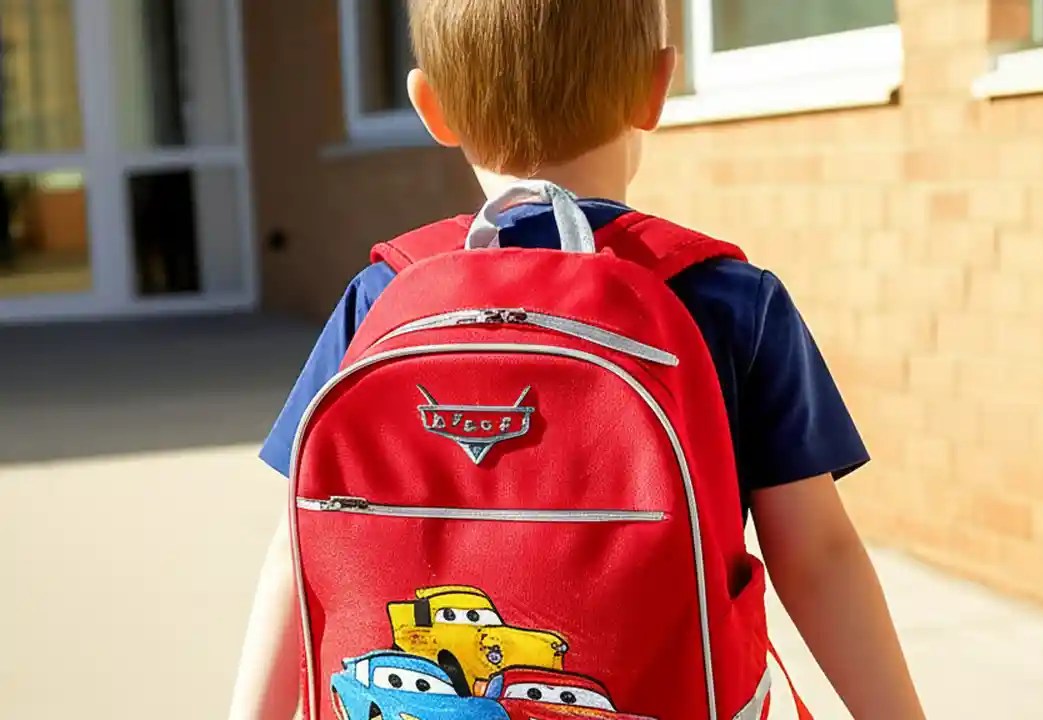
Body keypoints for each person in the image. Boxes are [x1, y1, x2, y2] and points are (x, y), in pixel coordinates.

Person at [228, 1, 924, 718]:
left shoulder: (381, 297)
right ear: (658, 88)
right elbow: (818, 557)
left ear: (430, 107)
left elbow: (297, 554)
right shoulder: (725, 301)